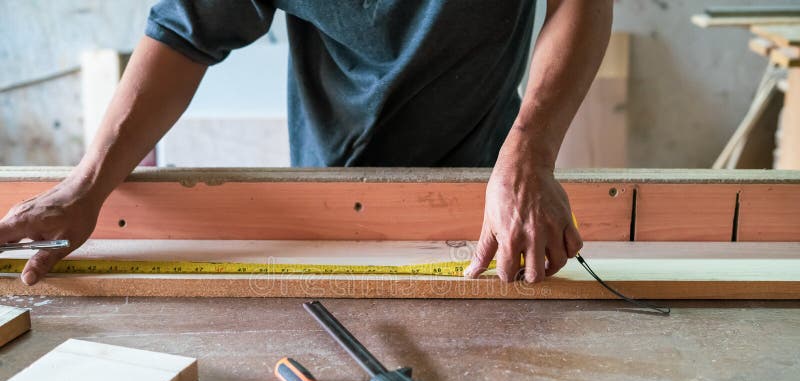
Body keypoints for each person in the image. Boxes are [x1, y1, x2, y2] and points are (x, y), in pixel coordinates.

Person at [0, 0, 612, 286]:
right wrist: (86, 187)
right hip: (329, 193)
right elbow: (184, 37)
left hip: (483, 190)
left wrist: (530, 154)